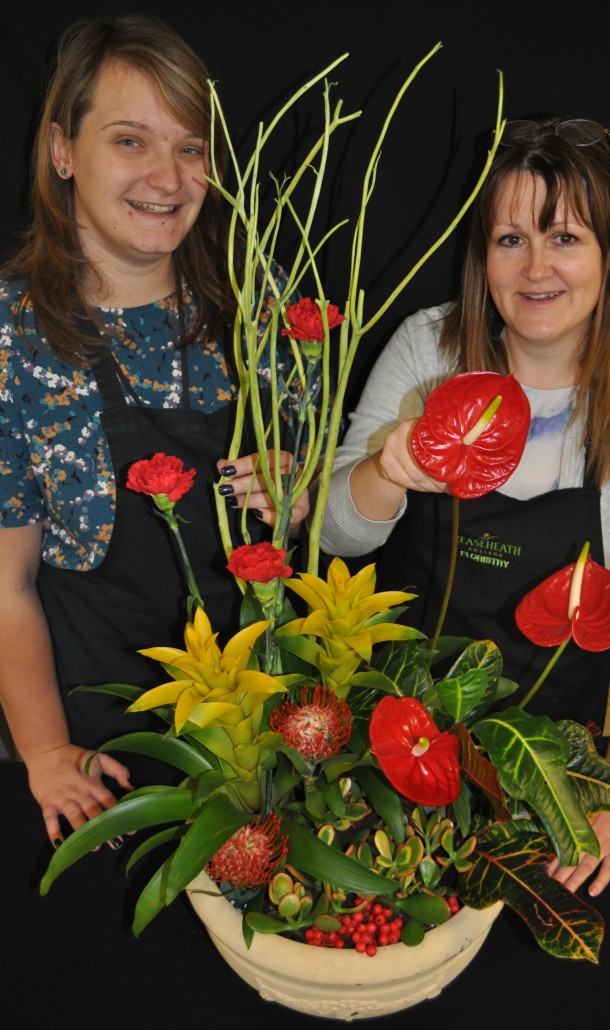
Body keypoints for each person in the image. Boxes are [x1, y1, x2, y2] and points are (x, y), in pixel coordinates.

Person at [320, 114, 610, 896]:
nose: (535, 267)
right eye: (510, 239)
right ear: (482, 256)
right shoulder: (429, 350)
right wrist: (388, 467)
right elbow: (337, 537)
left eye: (566, 237)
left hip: (548, 761)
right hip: (392, 732)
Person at [0, 16, 307, 847]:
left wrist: (301, 491)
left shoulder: (261, 302)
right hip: (107, 760)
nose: (167, 178)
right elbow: (8, 585)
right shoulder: (13, 338)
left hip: (269, 734)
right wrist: (46, 752)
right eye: (131, 140)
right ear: (63, 150)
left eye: (191, 148)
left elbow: (327, 501)